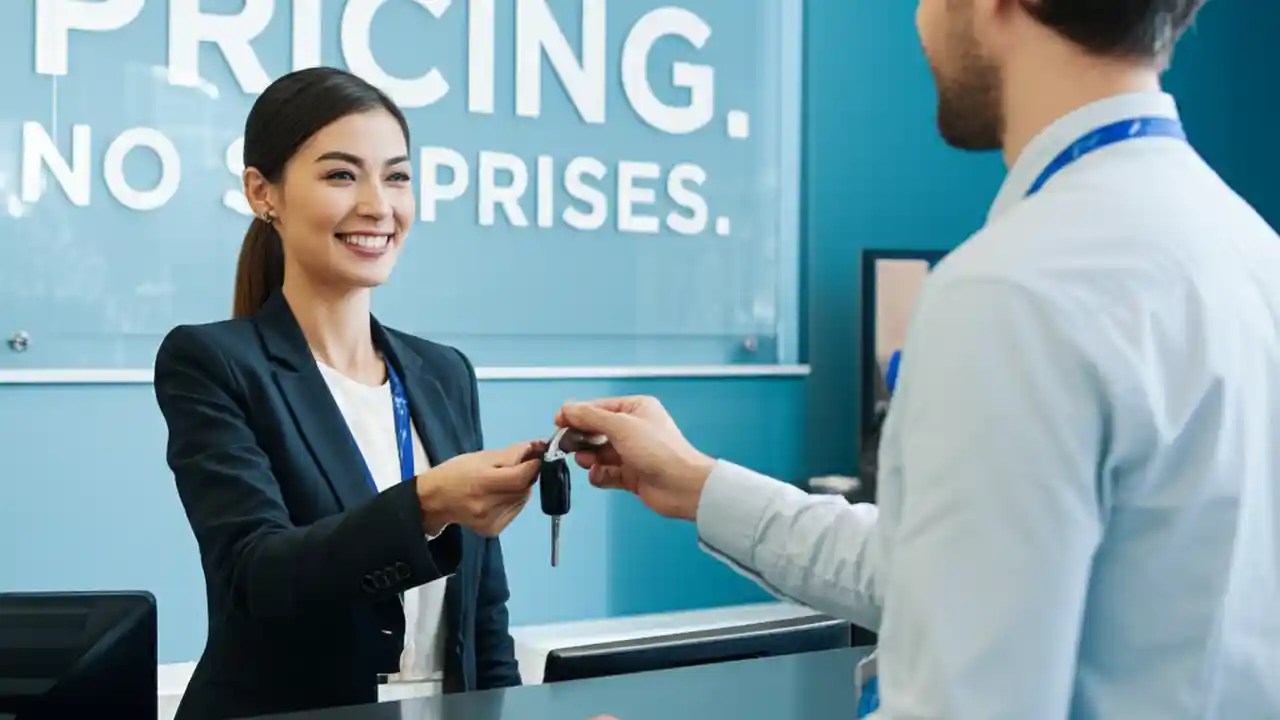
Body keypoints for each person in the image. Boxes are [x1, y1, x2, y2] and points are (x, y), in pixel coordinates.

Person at [559, 0, 1280, 717]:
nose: (918, 20)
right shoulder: (1252, 255)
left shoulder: (1012, 290)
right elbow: (955, 574)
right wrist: (695, 483)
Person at [153, 67, 540, 720]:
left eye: (397, 176)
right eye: (341, 175)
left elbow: (482, 615)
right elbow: (258, 576)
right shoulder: (214, 362)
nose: (378, 205)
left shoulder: (444, 373)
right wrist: (427, 502)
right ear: (262, 192)